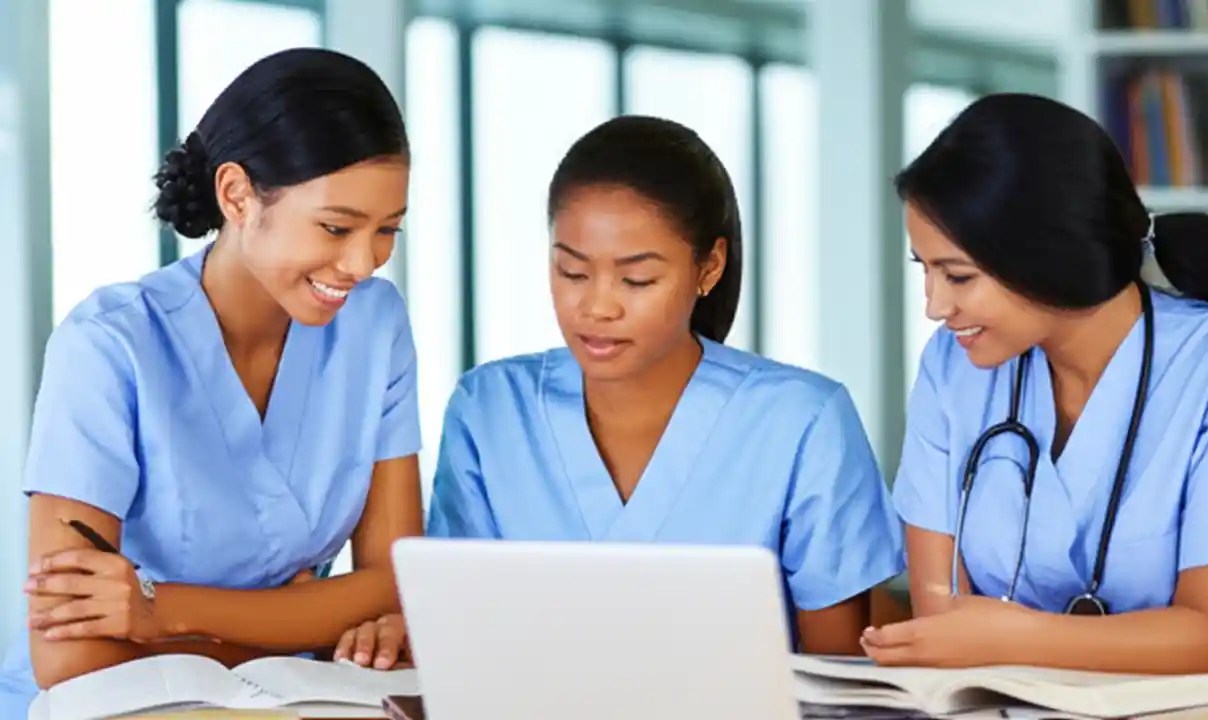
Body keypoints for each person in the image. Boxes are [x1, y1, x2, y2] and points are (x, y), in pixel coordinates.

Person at [332, 114, 905, 669]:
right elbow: (457, 627)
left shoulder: (801, 421)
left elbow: (840, 683)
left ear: (709, 267)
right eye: (572, 273)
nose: (597, 307)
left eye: (637, 279)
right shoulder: (491, 409)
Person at [0, 47, 423, 718]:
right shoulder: (109, 346)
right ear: (237, 195)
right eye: (336, 227)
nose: (361, 263)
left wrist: (156, 612)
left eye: (387, 231)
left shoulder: (375, 326)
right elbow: (69, 658)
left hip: (308, 704)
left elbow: (398, 586)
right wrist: (304, 624)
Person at [861, 92, 1208, 707]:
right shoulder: (954, 367)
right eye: (922, 268)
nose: (935, 307)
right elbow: (943, 628)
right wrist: (1152, 651)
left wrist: (1017, 635)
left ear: (1046, 253)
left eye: (958, 276)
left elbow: (1207, 640)